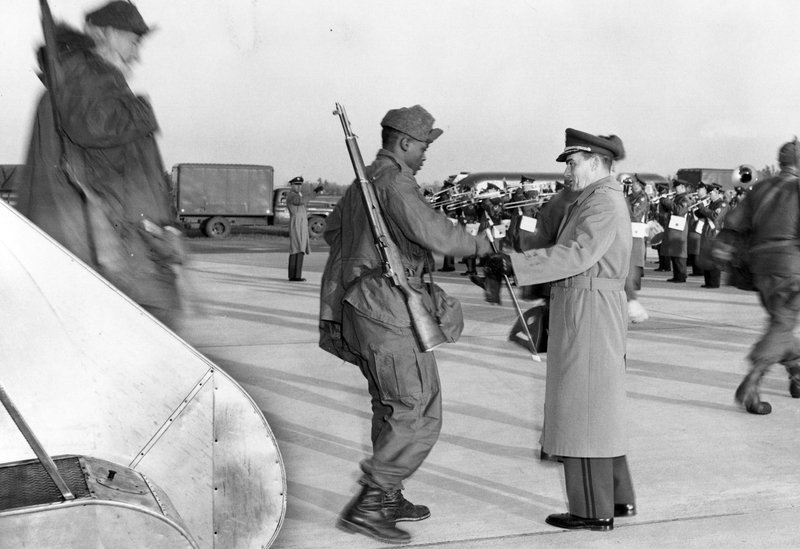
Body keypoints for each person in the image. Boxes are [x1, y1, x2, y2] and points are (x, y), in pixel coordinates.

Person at [319, 105, 492, 544]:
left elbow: (334, 232)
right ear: (405, 143)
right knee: (418, 411)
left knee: (390, 405)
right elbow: (435, 232)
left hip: (362, 307)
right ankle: (371, 503)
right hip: (388, 308)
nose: (426, 155)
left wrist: (376, 255)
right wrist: (479, 245)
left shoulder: (365, 181)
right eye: (425, 146)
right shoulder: (394, 180)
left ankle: (390, 494)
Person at [485, 128, 636, 532]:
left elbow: (579, 253)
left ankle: (592, 509)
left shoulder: (601, 201)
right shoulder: (590, 199)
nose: (567, 170)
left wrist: (518, 266)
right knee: (595, 406)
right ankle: (617, 498)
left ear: (595, 161)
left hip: (589, 307)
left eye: (572, 162)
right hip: (583, 304)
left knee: (583, 409)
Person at [16, 1, 185, 329]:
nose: (136, 54)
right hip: (95, 250)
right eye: (133, 41)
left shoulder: (71, 80)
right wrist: (142, 110)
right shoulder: (91, 78)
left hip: (71, 247)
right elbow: (105, 148)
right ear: (103, 34)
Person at [715, 140, 800, 415]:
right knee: (783, 321)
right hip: (791, 266)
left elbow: (733, 222)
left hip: (760, 267)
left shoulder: (760, 187)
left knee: (781, 322)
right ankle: (751, 382)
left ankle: (797, 373)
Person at [286, 176, 322, 281]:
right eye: (296, 185)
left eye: (300, 185)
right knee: (297, 248)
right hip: (296, 222)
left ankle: (294, 275)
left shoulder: (297, 195)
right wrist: (315, 192)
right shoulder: (292, 196)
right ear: (291, 185)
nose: (298, 187)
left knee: (299, 247)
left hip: (301, 222)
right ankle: (295, 276)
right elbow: (302, 200)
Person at [693, 182, 727, 288]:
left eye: (710, 192)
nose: (709, 194)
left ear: (717, 192)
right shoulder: (710, 203)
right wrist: (698, 206)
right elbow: (700, 215)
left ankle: (714, 282)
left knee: (713, 259)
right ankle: (708, 281)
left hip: (714, 234)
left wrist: (703, 208)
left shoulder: (722, 204)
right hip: (706, 232)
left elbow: (715, 216)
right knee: (706, 257)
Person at [626, 174, 649, 322]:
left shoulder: (641, 198)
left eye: (635, 184)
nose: (632, 186)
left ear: (640, 185)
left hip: (636, 231)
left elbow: (634, 214)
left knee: (634, 258)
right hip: (629, 230)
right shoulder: (629, 197)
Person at [660, 179, 693, 283]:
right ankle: (676, 275)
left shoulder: (685, 198)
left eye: (677, 187)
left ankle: (682, 275)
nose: (675, 189)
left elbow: (679, 210)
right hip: (674, 227)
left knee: (679, 253)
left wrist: (666, 201)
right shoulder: (678, 197)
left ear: (682, 186)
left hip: (679, 228)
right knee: (674, 253)